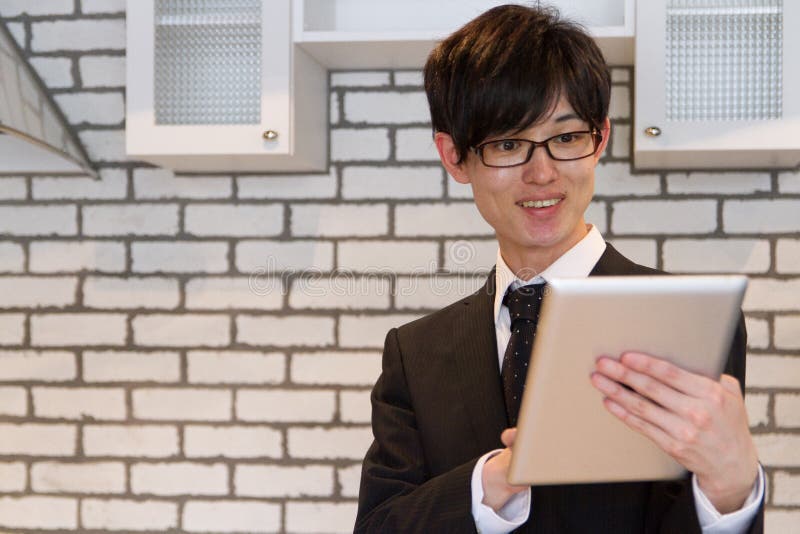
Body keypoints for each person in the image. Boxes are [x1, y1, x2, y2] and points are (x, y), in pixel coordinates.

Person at [355, 4, 764, 533]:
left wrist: (731, 490)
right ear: (454, 156)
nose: (543, 173)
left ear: (600, 139)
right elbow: (379, 524)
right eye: (508, 144)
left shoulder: (687, 321)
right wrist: (494, 480)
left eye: (566, 138)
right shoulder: (416, 354)